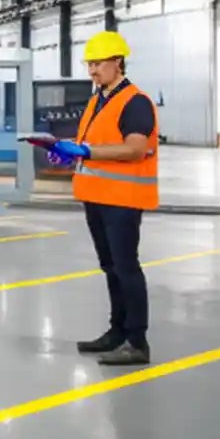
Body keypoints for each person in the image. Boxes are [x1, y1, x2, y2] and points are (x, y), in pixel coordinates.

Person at [46, 30, 158, 367]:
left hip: (123, 199)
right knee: (110, 267)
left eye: (98, 63)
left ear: (118, 62)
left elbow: (135, 147)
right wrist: (70, 155)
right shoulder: (98, 100)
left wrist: (84, 150)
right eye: (89, 64)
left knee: (126, 267)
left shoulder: (135, 102)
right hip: (97, 197)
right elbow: (96, 146)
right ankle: (117, 332)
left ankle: (137, 341)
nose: (92, 70)